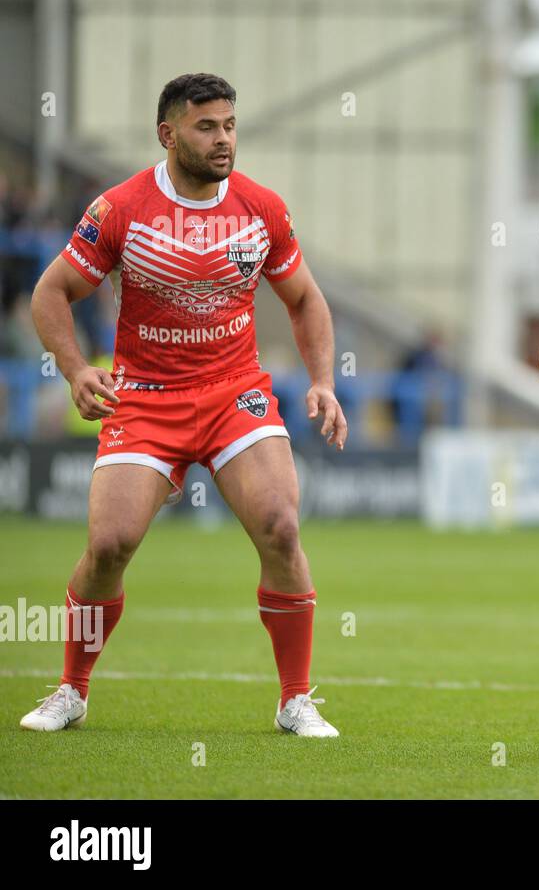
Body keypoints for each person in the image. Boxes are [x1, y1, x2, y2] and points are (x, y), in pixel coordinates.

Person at [21, 73, 347, 737]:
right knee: (109, 544)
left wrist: (322, 381)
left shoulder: (262, 208)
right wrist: (77, 369)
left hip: (236, 395)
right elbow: (50, 293)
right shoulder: (119, 210)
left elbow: (306, 298)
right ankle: (71, 689)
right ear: (168, 134)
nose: (223, 138)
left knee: (282, 527)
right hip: (145, 398)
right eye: (207, 126)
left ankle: (295, 700)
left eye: (229, 124)